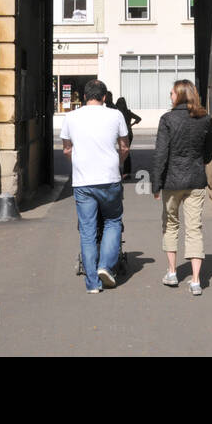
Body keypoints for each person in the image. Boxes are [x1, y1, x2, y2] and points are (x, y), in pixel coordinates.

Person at [61, 79, 130, 293]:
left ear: (84, 96)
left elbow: (67, 149)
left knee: (87, 230)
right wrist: (118, 163)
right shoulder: (116, 115)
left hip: (83, 181)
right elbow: (124, 146)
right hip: (109, 178)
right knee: (113, 221)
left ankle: (92, 283)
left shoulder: (70, 117)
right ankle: (105, 266)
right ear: (104, 97)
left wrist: (78, 164)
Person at [152, 79, 212, 295]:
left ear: (179, 95)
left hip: (171, 181)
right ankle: (196, 280)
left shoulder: (167, 119)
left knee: (170, 225)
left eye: (172, 93)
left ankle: (172, 272)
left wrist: (156, 183)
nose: (170, 96)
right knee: (194, 228)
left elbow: (161, 154)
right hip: (195, 179)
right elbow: (210, 148)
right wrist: (200, 161)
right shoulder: (205, 119)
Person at [114, 96, 141, 177]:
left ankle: (123, 171)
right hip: (129, 133)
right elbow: (138, 118)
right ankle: (127, 172)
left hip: (122, 133)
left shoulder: (117, 112)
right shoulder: (128, 112)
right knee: (126, 152)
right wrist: (131, 125)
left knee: (122, 151)